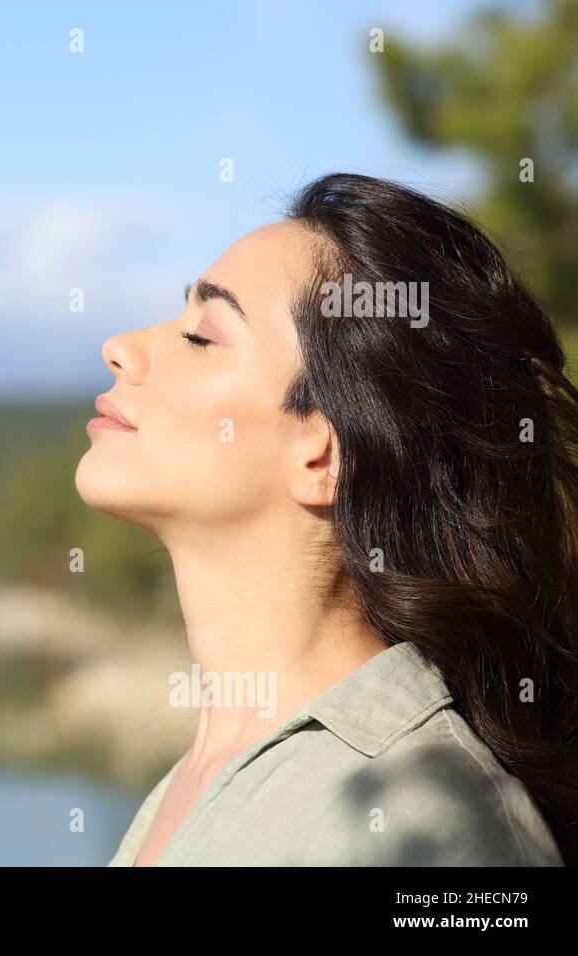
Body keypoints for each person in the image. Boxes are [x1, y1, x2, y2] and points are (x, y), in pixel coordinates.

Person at [77, 173, 576, 866]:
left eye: (202, 335)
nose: (120, 346)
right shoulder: (201, 781)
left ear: (323, 455)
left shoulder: (430, 820)